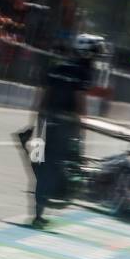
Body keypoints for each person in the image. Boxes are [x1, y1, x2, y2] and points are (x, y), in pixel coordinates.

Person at [28, 33, 102, 227]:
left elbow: (42, 99)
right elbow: (80, 104)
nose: (95, 58)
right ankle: (53, 202)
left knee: (43, 167)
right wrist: (82, 131)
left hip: (48, 122)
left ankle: (38, 213)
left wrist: (38, 127)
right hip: (67, 125)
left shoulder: (57, 66)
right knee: (63, 165)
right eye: (94, 54)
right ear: (87, 53)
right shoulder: (83, 72)